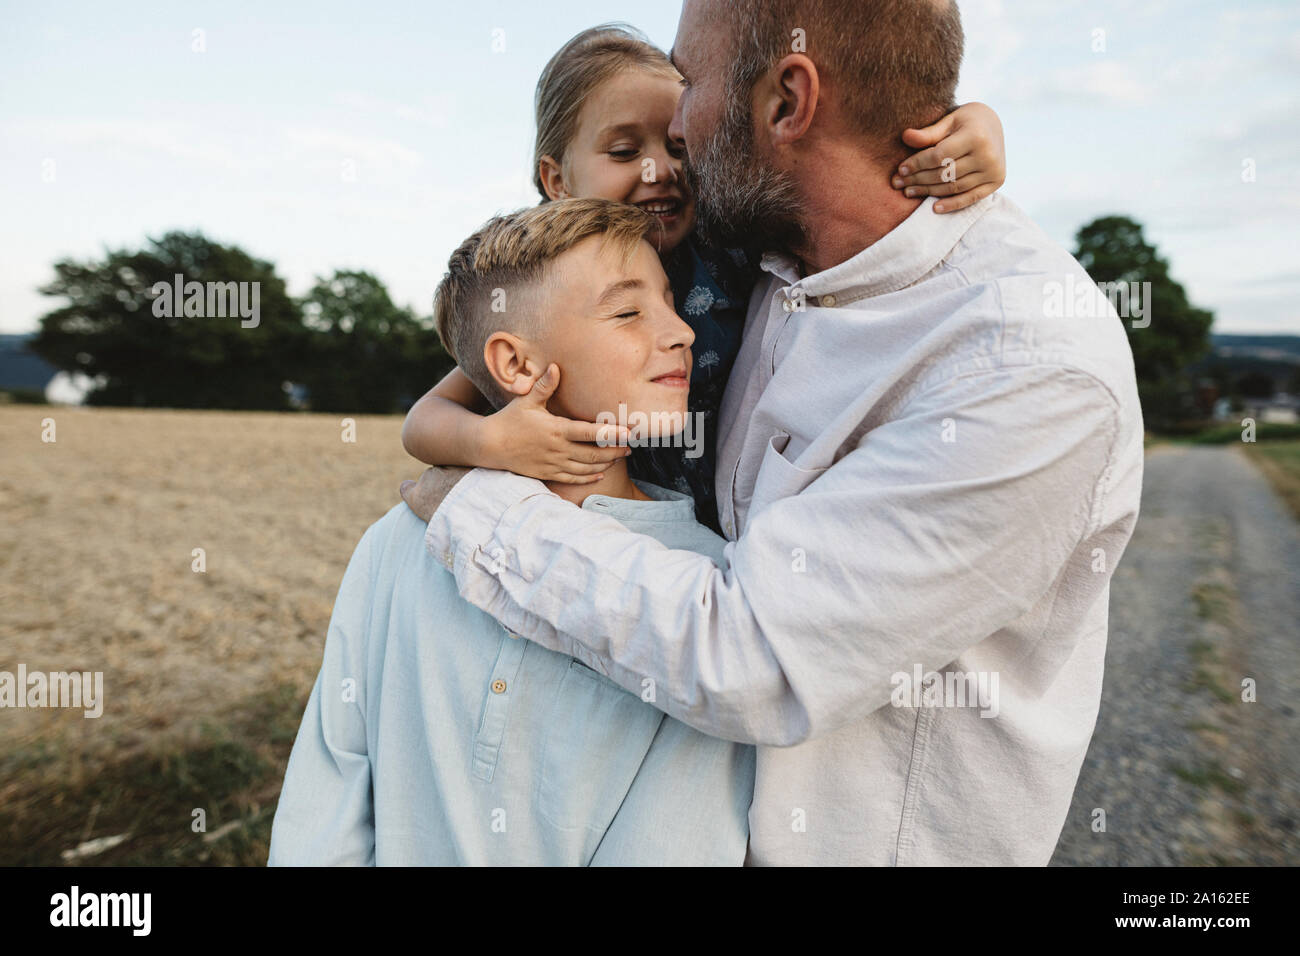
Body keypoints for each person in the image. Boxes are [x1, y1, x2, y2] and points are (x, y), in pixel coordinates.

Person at [402, 0, 1146, 866]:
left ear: (788, 102)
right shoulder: (767, 251)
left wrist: (478, 510)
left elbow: (751, 658)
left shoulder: (1029, 370)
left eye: (689, 85)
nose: (678, 136)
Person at [269, 199, 754, 865]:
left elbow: (675, 844)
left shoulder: (712, 592)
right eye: (627, 312)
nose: (681, 332)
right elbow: (323, 804)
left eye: (671, 303)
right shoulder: (400, 541)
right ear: (517, 365)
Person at [400, 23, 1008, 536]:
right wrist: (491, 443)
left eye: (677, 147)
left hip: (728, 538)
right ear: (556, 180)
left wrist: (978, 124)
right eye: (623, 152)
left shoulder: (729, 241)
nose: (660, 170)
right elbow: (427, 418)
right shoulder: (550, 294)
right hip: (608, 530)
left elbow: (847, 173)